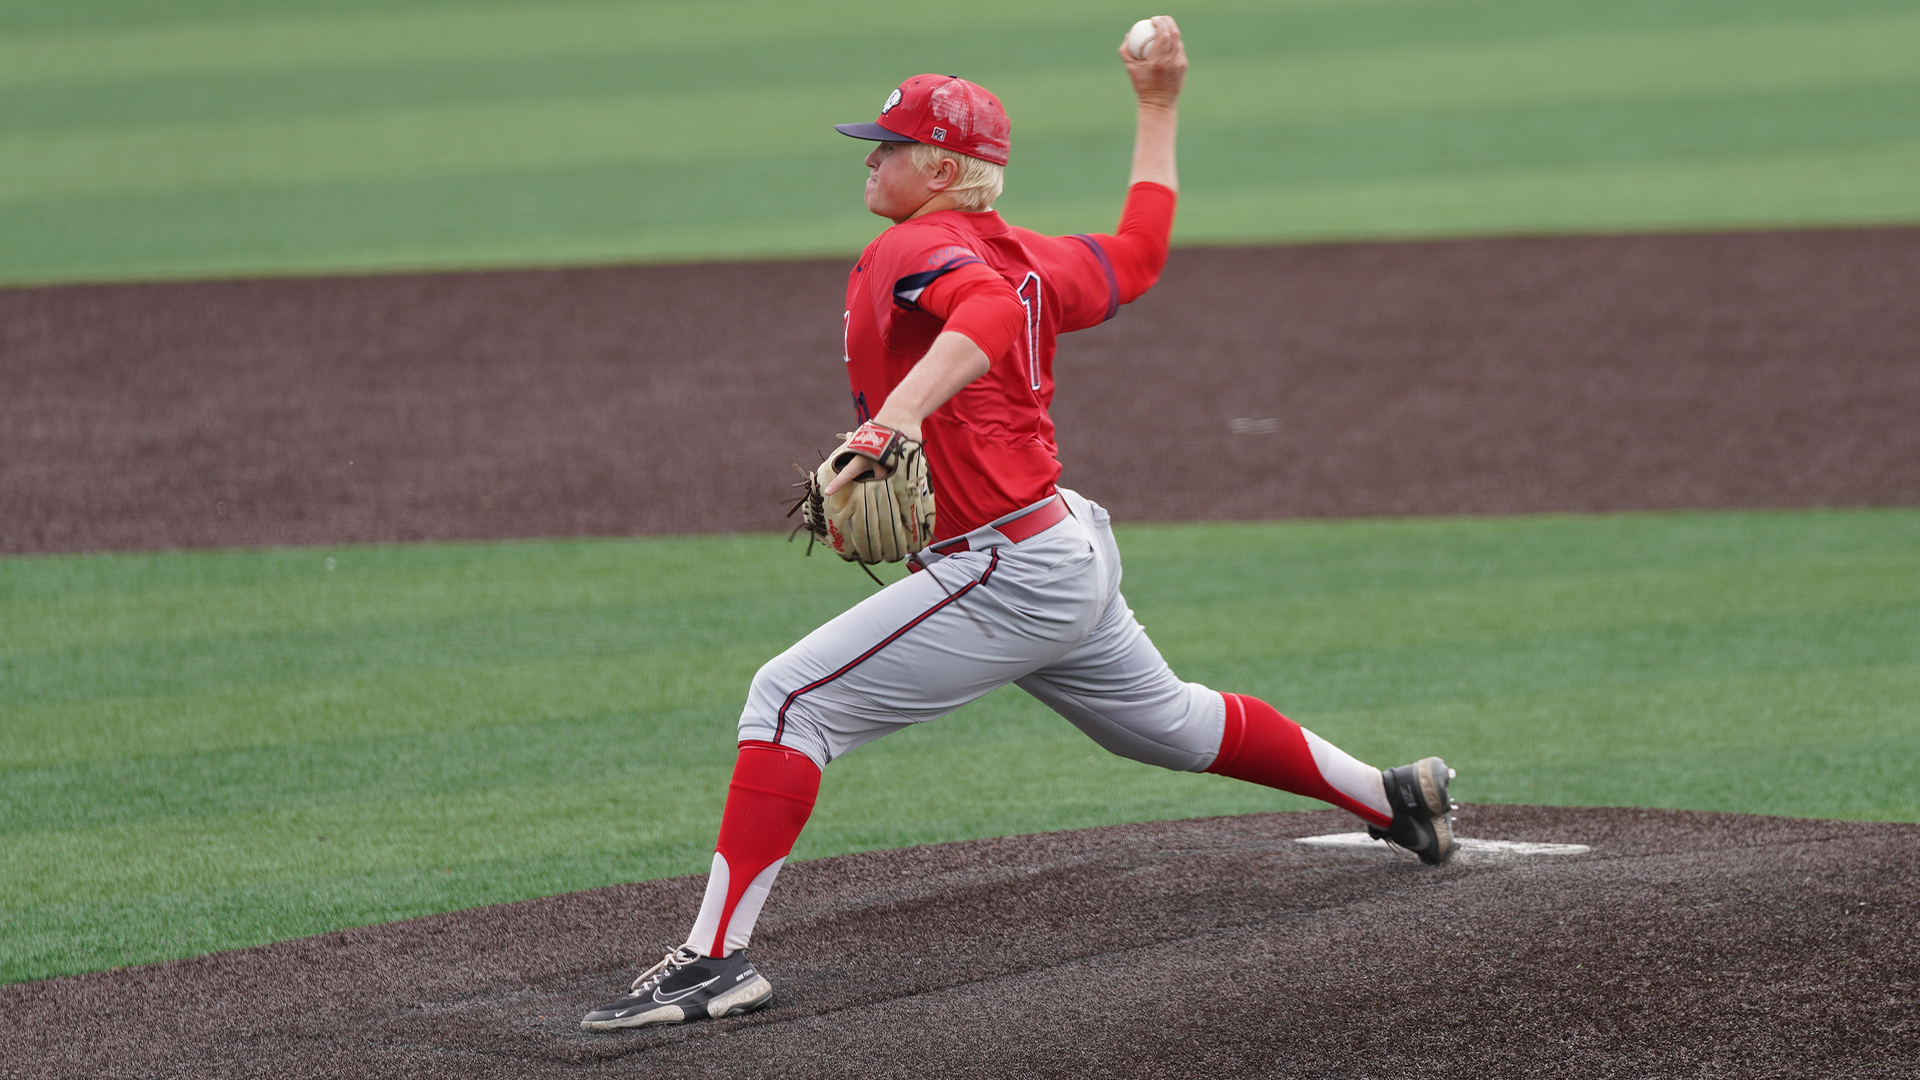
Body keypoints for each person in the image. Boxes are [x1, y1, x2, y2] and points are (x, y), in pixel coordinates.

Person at [582, 17, 1454, 1032]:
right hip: (1056, 549)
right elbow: (1139, 253)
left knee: (787, 703)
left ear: (945, 170)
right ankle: (1396, 797)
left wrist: (895, 417)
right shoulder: (1026, 252)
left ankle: (713, 962)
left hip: (1008, 568)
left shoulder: (918, 244)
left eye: (893, 146)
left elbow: (986, 317)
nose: (872, 158)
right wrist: (1159, 106)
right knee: (1171, 724)